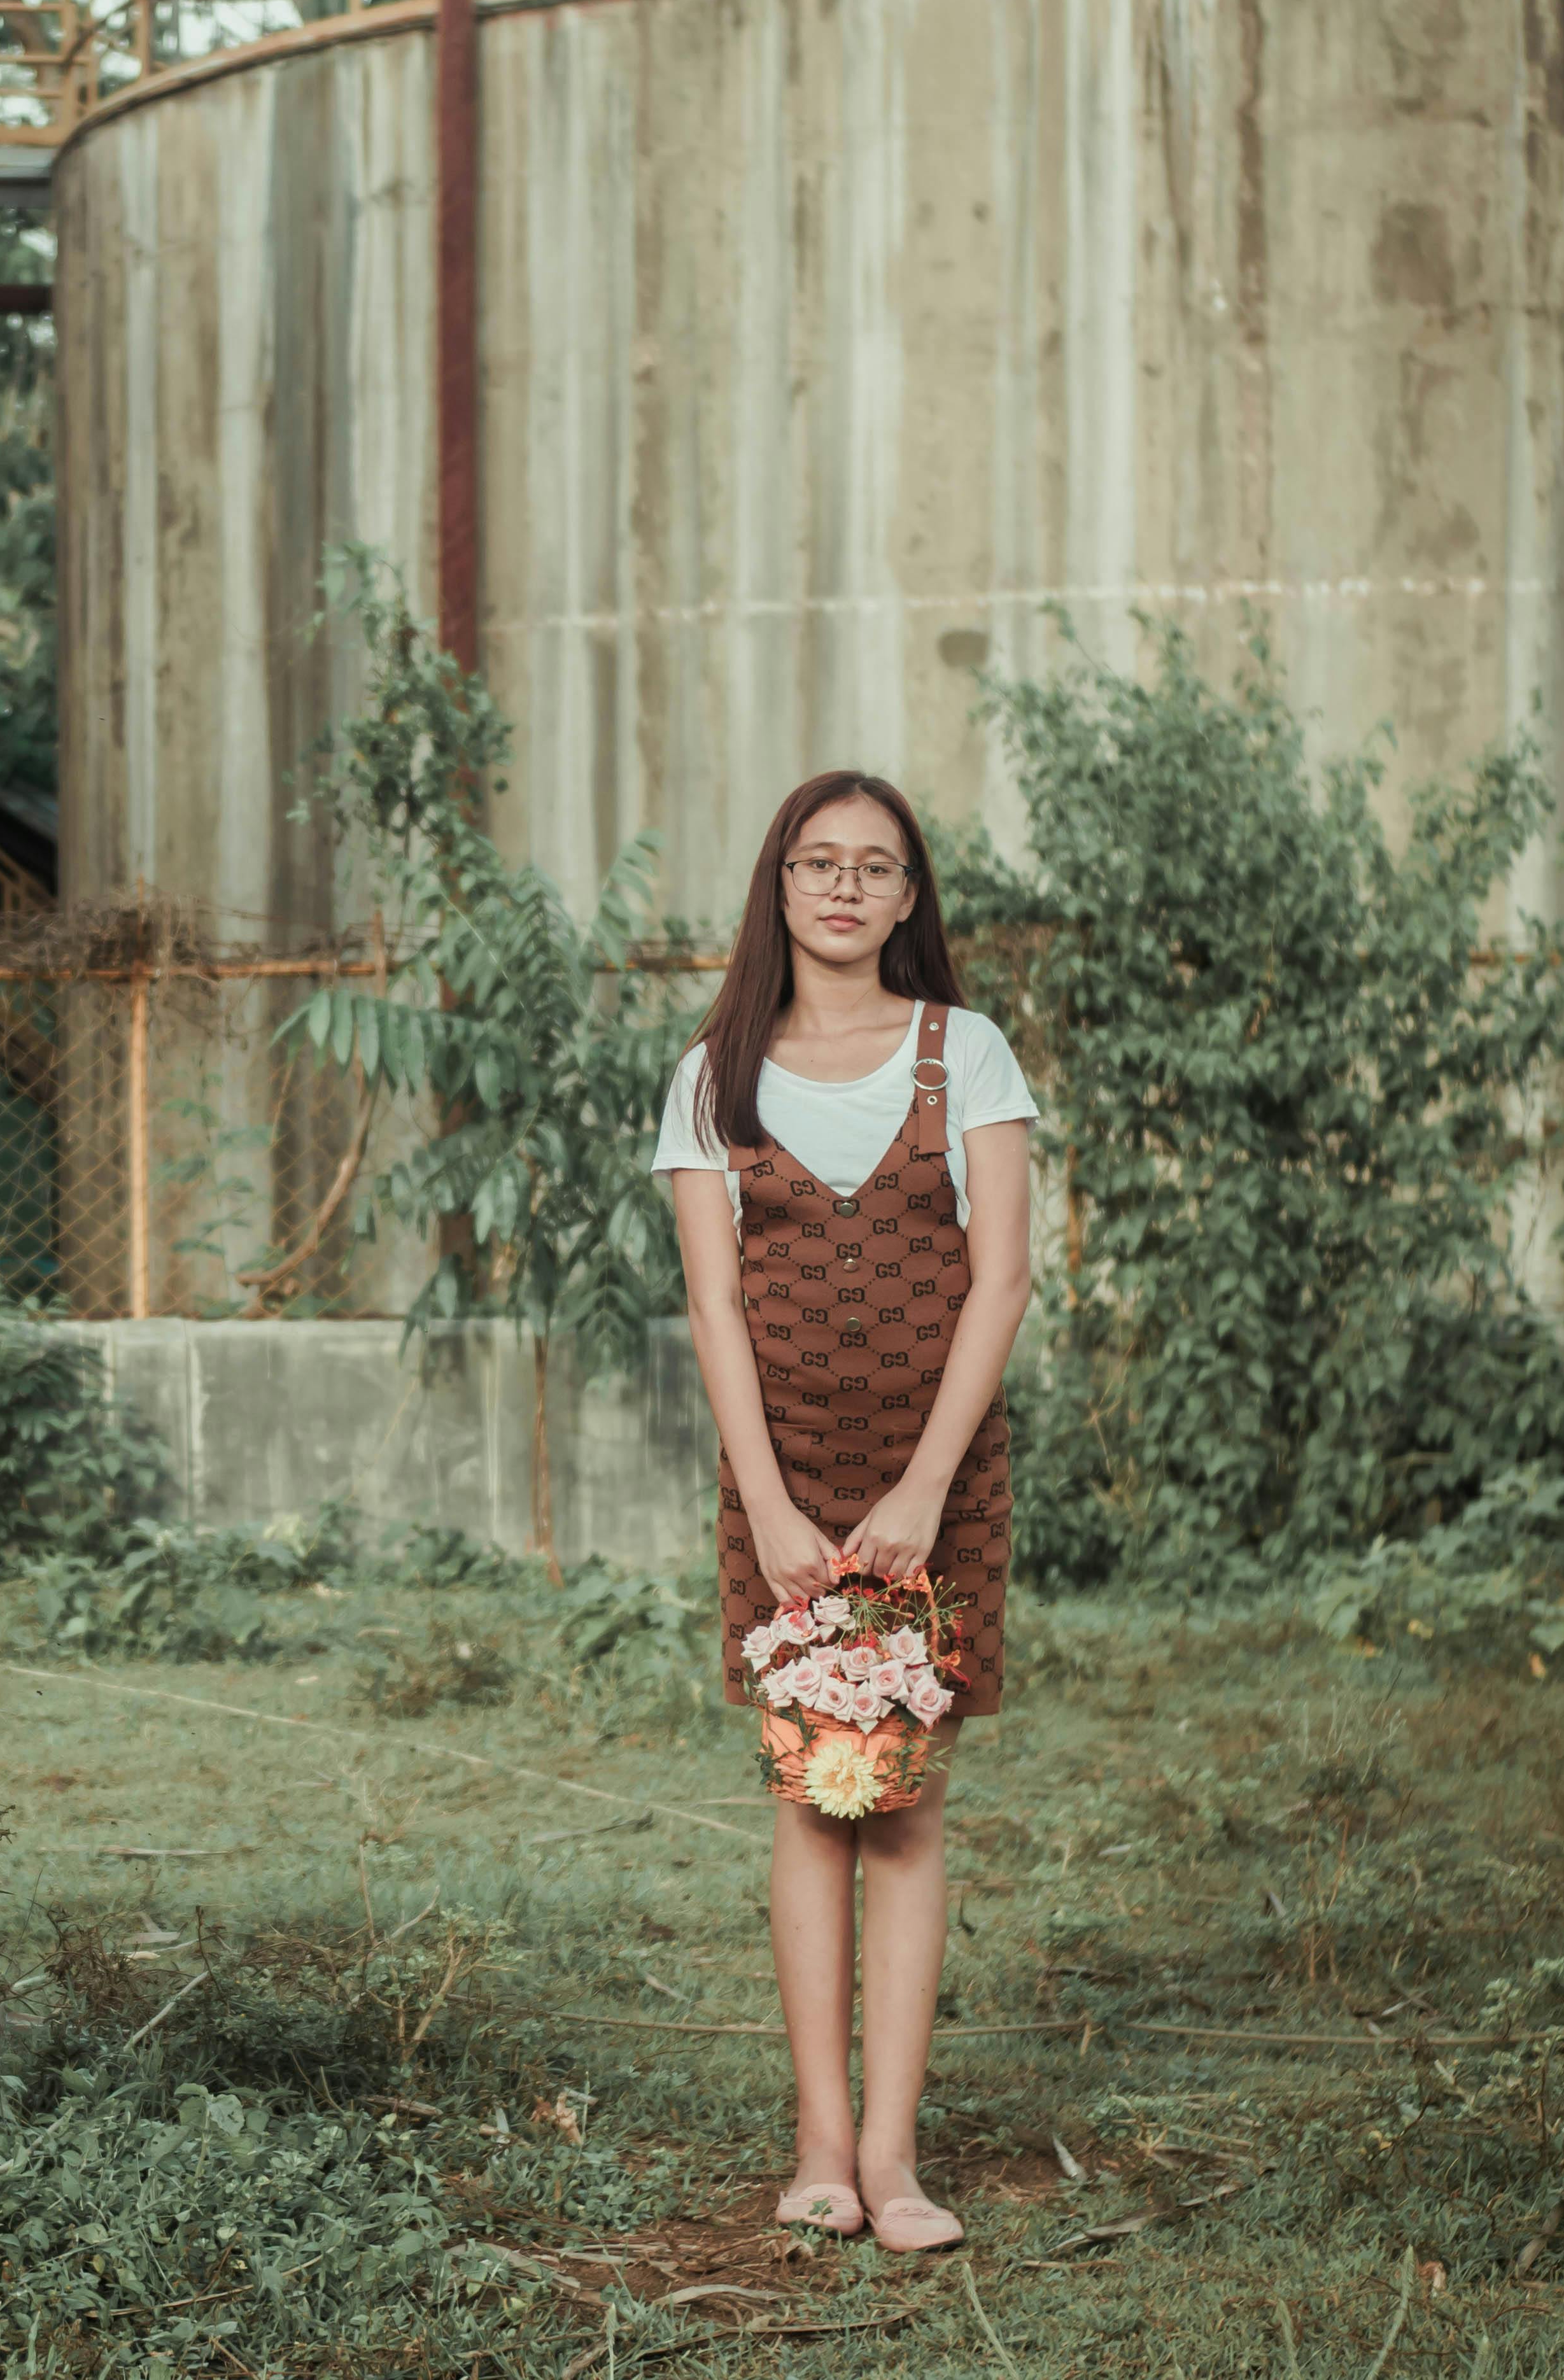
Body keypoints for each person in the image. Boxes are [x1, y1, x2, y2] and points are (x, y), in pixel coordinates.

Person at [651, 771, 1039, 2254]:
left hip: (937, 1490)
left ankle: (896, 2160)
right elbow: (711, 1305)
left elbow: (998, 1277)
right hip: (788, 1495)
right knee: (815, 1804)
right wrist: (769, 1509)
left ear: (909, 897)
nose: (844, 888)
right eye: (818, 863)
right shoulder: (713, 1072)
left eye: (876, 867)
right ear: (781, 885)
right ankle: (818, 2141)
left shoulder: (969, 1055)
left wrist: (928, 1490)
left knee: (911, 1807)